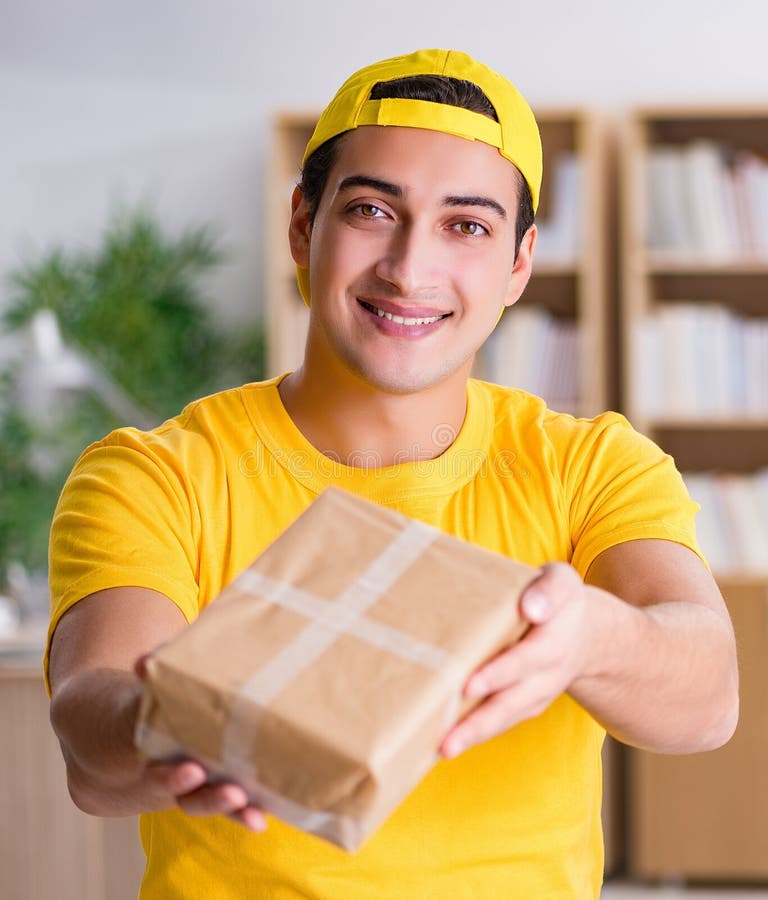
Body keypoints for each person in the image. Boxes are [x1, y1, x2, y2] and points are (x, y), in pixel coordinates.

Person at [47, 48, 738, 899]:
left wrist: (589, 638)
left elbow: (709, 696)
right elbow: (92, 737)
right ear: (303, 225)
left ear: (519, 263)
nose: (410, 269)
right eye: (374, 210)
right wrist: (165, 724)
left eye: (468, 226)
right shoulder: (155, 475)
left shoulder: (592, 465)